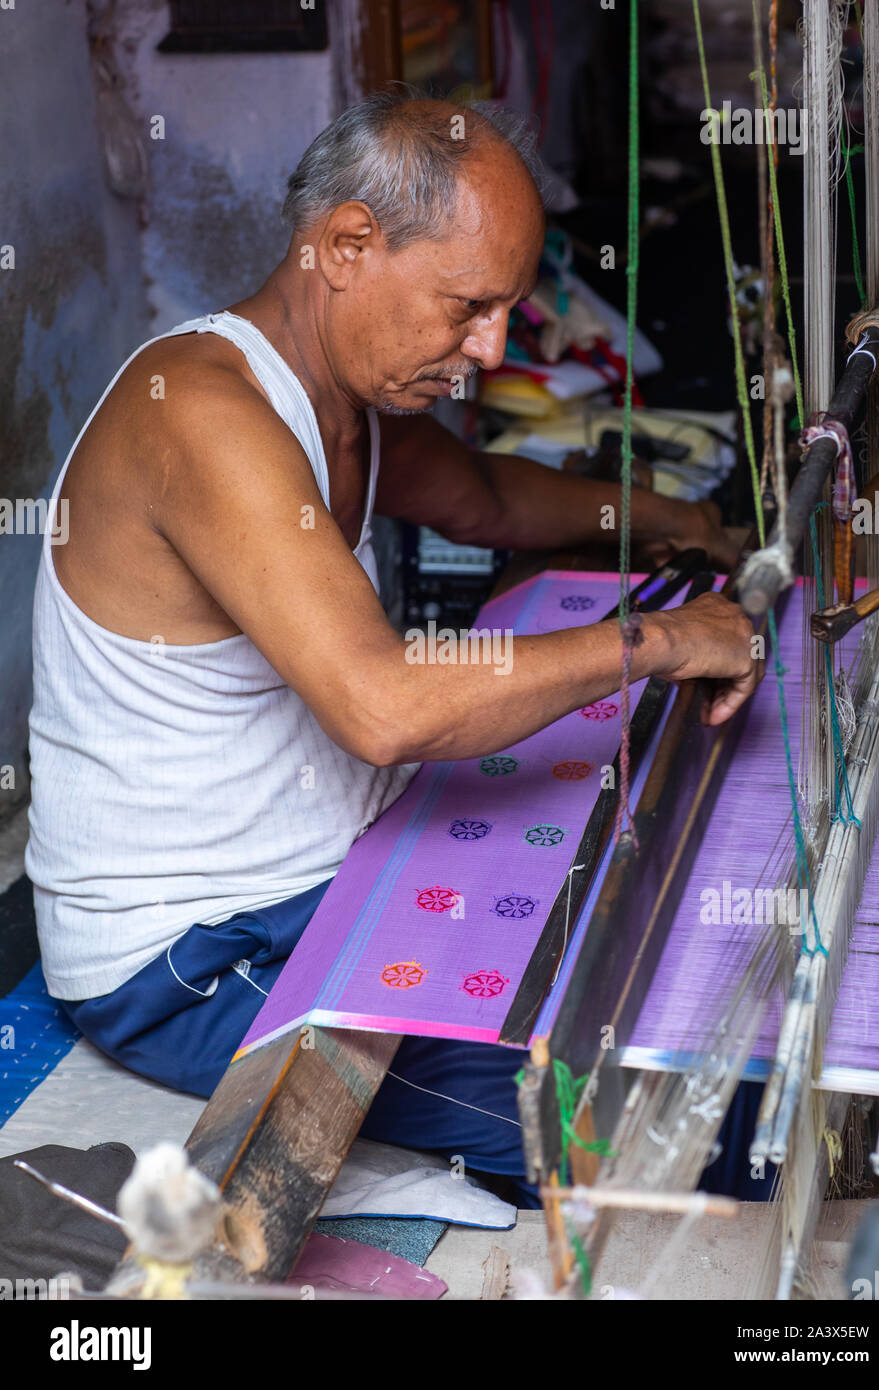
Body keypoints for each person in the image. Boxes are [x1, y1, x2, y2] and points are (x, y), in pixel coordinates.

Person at [26, 91, 762, 1204]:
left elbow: (482, 500)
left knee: (639, 920)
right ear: (346, 245)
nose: (489, 349)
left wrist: (680, 523)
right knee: (641, 1109)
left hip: (320, 875)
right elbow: (384, 707)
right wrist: (660, 639)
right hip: (189, 952)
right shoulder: (204, 415)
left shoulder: (343, 399)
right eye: (468, 307)